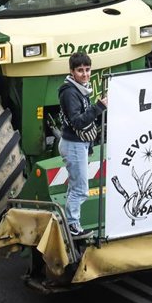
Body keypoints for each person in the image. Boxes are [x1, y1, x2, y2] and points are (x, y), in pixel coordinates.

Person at [57, 52, 107, 238]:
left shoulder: (80, 89)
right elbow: (77, 122)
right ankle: (72, 225)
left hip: (78, 144)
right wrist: (99, 107)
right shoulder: (70, 92)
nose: (85, 74)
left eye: (87, 70)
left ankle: (70, 223)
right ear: (72, 71)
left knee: (75, 187)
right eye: (80, 70)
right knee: (80, 189)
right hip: (74, 145)